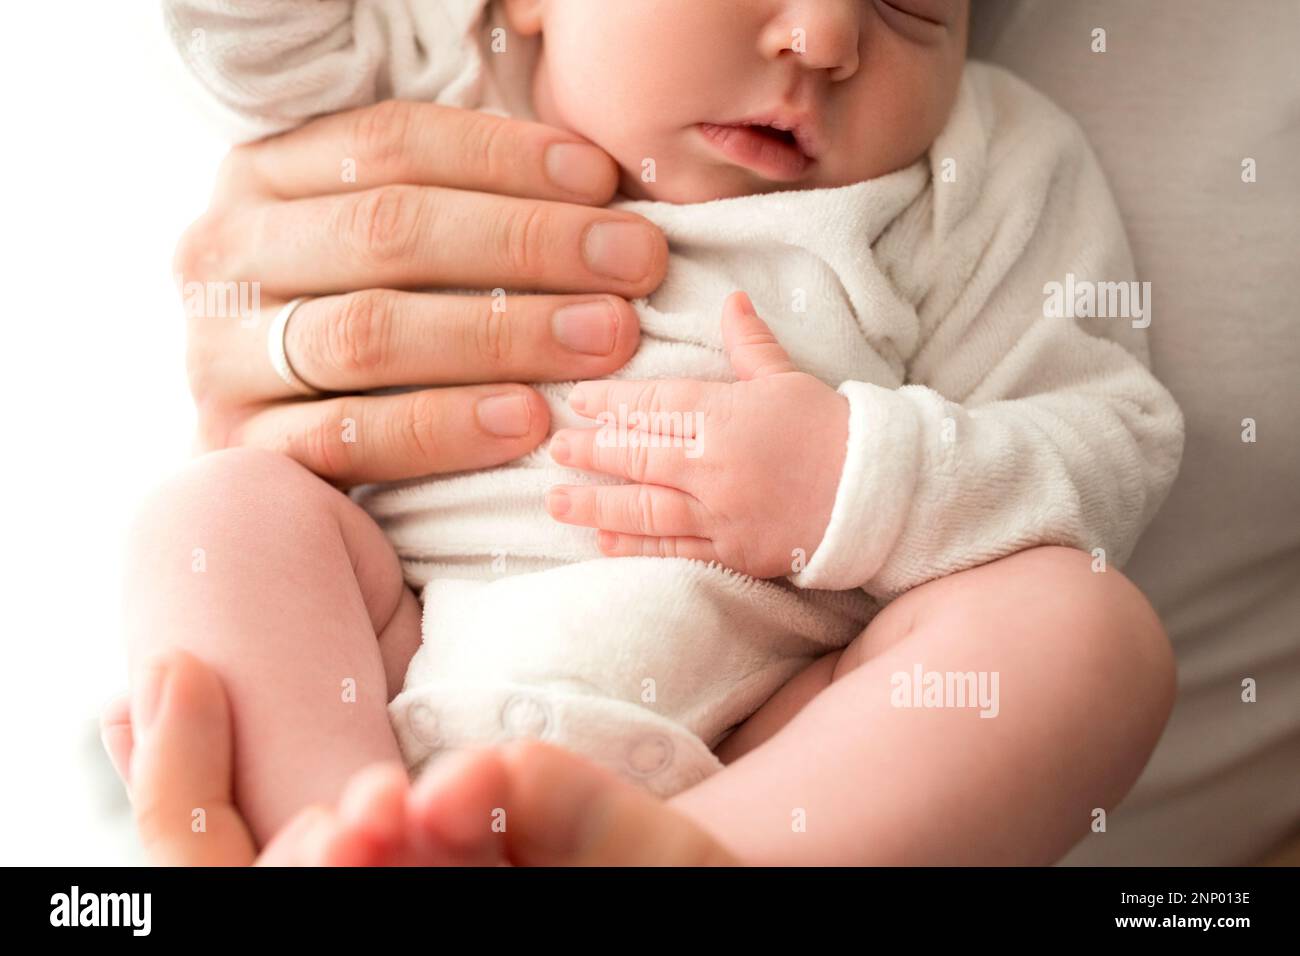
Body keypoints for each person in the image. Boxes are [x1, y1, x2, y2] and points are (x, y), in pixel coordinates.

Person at [118, 0, 1198, 865]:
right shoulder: (445, 57)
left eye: (913, 5)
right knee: (219, 514)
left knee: (1083, 631)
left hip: (771, 737)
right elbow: (244, 38)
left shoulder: (982, 162)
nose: (823, 36)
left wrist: (852, 481)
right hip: (404, 661)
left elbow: (1108, 438)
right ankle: (341, 830)